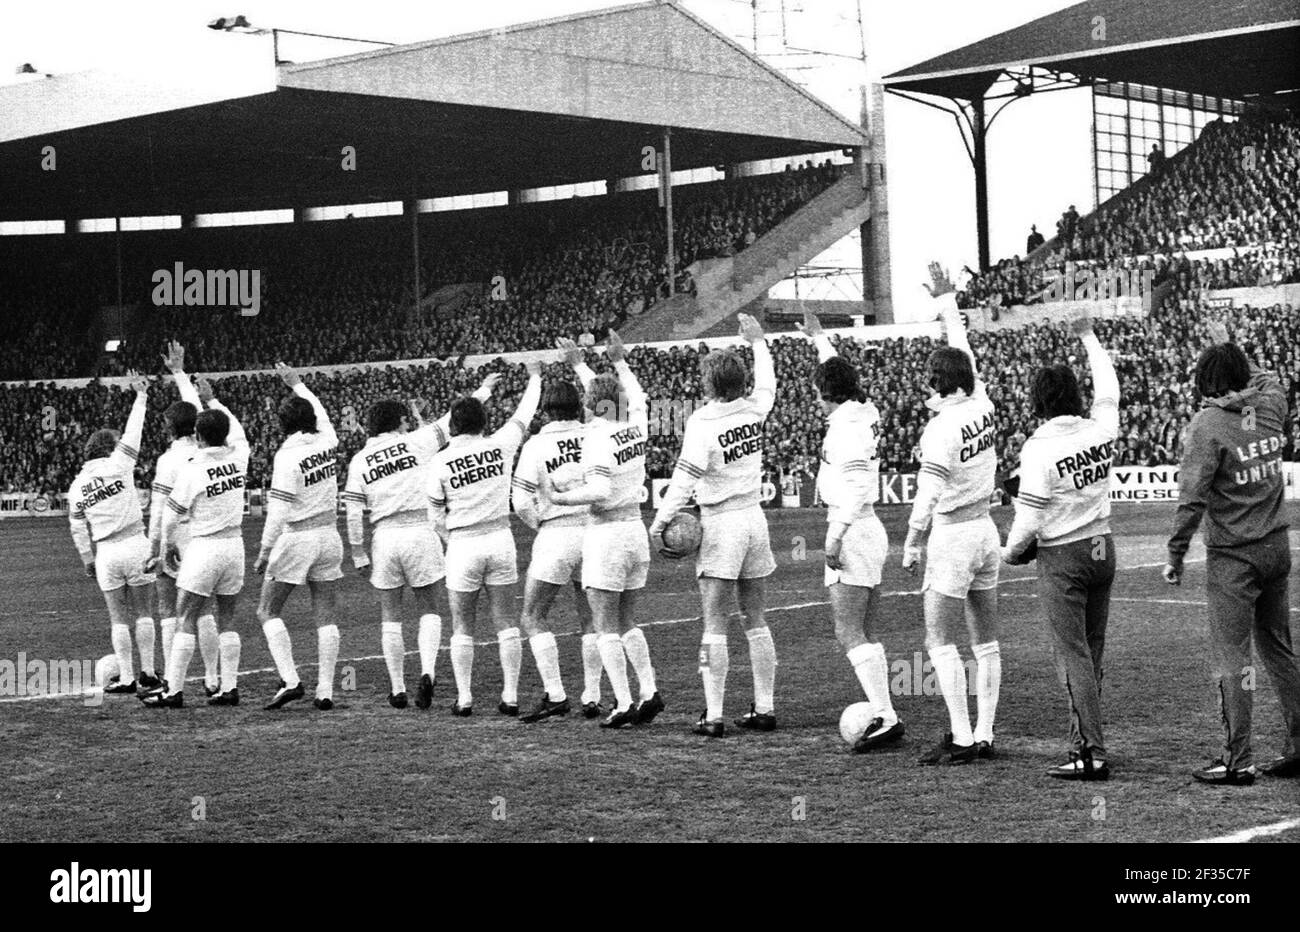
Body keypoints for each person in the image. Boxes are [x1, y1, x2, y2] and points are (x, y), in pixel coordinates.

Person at [1164, 320, 1300, 785]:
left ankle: (1238, 758)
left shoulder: (1206, 425)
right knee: (1279, 649)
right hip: (1276, 548)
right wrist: (1236, 353)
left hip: (1234, 558)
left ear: (1204, 383)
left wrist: (1176, 552)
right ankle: (1299, 744)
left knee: (1232, 658)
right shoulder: (1270, 406)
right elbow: (1270, 381)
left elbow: (1192, 496)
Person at [1002, 314, 1119, 780]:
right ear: (1073, 394)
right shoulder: (1098, 428)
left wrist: (1011, 552)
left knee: (1071, 654)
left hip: (1064, 555)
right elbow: (1109, 389)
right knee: (1091, 651)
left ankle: (1089, 751)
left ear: (1037, 402)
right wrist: (1089, 336)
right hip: (1101, 546)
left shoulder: (1039, 448)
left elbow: (1029, 518)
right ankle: (1088, 739)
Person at [650, 313, 777, 738]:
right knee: (756, 617)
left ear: (709, 385)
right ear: (739, 382)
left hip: (721, 522)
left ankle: (715, 712)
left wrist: (661, 521)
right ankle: (765, 707)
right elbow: (769, 386)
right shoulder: (754, 408)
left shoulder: (703, 421)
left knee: (713, 623)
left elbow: (684, 479)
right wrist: (758, 342)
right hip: (754, 519)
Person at [343, 373, 500, 709]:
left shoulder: (359, 460)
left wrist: (357, 551)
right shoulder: (418, 440)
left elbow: (353, 511)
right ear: (401, 421)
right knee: (430, 607)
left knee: (390, 614)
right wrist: (485, 388)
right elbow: (457, 415)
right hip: (421, 530)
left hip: (384, 536)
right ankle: (428, 671)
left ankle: (398, 688)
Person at [902, 263, 1001, 765]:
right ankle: (984, 733)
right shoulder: (980, 403)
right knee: (985, 641)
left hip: (954, 534)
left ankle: (962, 736)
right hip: (987, 531)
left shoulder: (940, 430)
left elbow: (927, 493)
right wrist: (947, 302)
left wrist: (912, 540)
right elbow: (965, 351)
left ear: (941, 383)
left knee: (939, 638)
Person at [799, 308, 903, 752]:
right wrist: (820, 339)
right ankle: (885, 710)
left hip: (854, 527)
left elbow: (860, 482)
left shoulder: (844, 428)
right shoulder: (864, 409)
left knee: (848, 631)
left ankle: (884, 713)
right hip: (869, 528)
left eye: (818, 393)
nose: (816, 400)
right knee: (865, 630)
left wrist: (835, 535)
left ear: (828, 394)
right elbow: (842, 374)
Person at [550, 330, 664, 729]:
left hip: (607, 533)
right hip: (636, 528)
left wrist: (559, 497)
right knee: (628, 621)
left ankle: (623, 702)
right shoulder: (634, 424)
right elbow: (636, 396)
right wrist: (613, 362)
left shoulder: (597, 436)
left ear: (592, 405)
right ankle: (649, 692)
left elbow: (597, 489)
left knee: (604, 625)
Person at [428, 360, 542, 717]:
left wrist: (451, 541)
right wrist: (535, 376)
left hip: (462, 544)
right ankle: (509, 697)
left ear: (452, 425)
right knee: (506, 620)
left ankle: (464, 699)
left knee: (462, 625)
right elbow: (525, 413)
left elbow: (435, 518)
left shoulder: (439, 462)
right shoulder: (501, 445)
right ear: (484, 423)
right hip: (500, 538)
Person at [142, 377, 249, 708]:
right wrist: (213, 400)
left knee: (185, 615)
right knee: (226, 616)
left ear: (199, 436)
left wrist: (165, 548)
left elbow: (170, 515)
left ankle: (173, 690)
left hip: (203, 546)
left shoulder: (192, 468)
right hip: (235, 546)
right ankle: (225, 686)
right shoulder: (239, 455)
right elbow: (240, 433)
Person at [512, 343, 604, 722]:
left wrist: (541, 524)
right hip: (595, 529)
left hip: (556, 533)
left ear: (547, 411)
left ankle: (555, 693)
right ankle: (593, 696)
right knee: (592, 617)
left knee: (533, 615)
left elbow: (520, 500)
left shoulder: (537, 443)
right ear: (579, 407)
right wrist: (582, 366)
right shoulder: (596, 431)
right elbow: (608, 401)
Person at [254, 363, 343, 712]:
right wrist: (298, 384)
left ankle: (291, 680)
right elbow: (320, 411)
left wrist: (264, 551)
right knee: (326, 616)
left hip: (297, 537)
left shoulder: (287, 456)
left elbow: (277, 511)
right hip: (329, 535)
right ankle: (326, 691)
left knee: (266, 610)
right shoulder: (327, 441)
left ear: (283, 425)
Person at [67, 371, 160, 694]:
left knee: (117, 617)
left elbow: (77, 526)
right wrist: (141, 396)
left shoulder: (77, 486)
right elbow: (134, 433)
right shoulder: (120, 464)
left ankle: (127, 677)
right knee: (144, 612)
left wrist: (87, 559)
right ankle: (148, 671)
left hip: (105, 551)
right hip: (135, 542)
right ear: (110, 447)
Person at [151, 342, 221, 696]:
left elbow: (160, 506)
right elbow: (194, 409)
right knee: (204, 608)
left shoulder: (168, 461)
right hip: (202, 534)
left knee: (169, 608)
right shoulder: (203, 450)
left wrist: (156, 546)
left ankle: (170, 680)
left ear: (167, 428)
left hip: (174, 535)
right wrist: (179, 372)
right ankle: (212, 679)